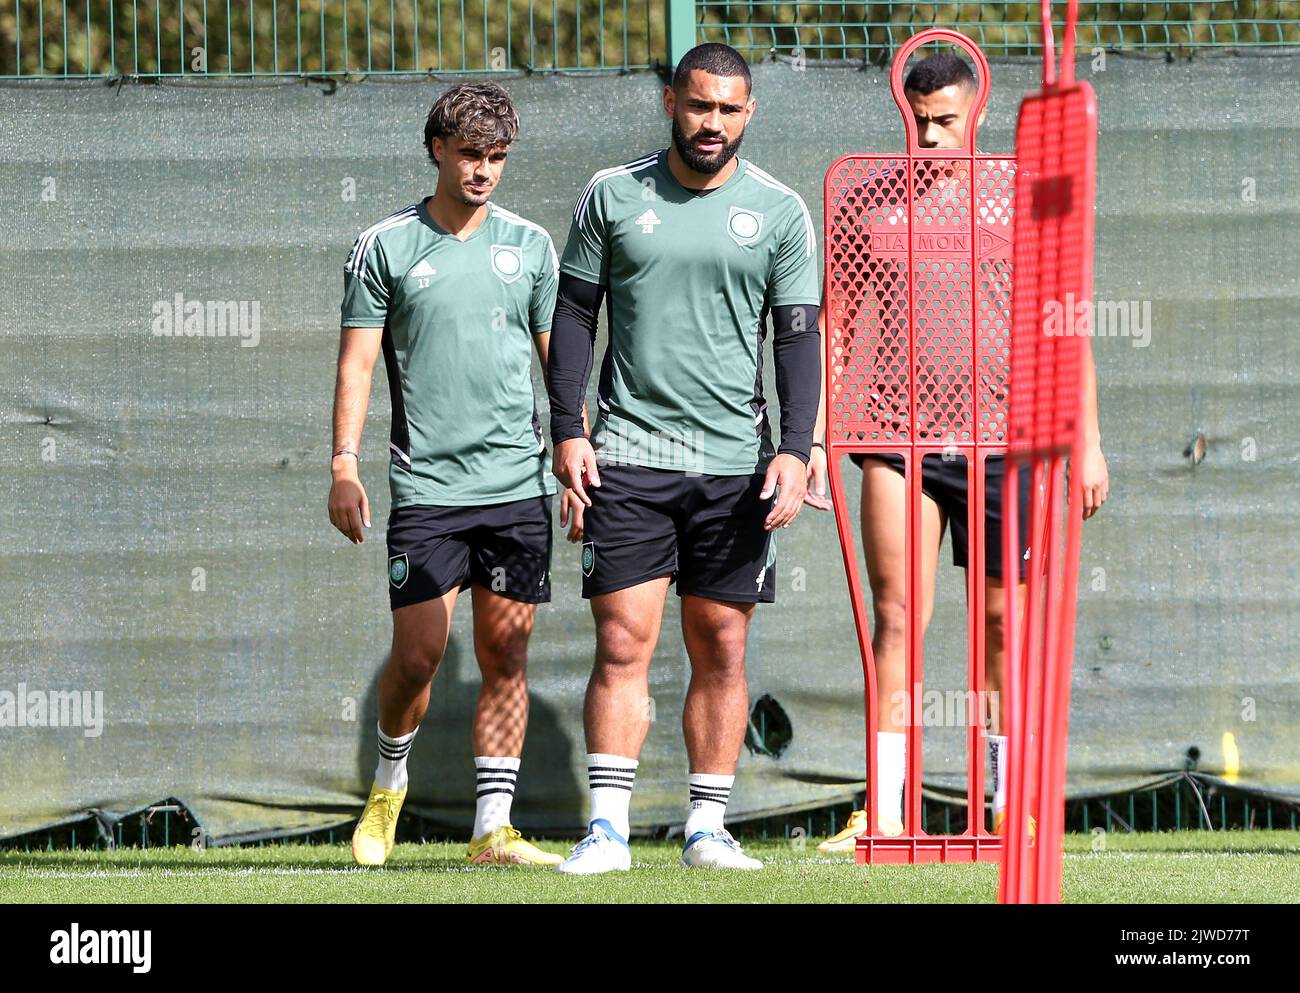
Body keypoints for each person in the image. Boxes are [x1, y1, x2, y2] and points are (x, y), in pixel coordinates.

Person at [808, 53, 1110, 852]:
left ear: (977, 112)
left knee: (1007, 621)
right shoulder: (867, 196)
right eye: (920, 121)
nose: (933, 137)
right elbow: (835, 328)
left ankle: (1010, 802)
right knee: (898, 616)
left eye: (946, 120)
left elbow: (1066, 321)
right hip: (897, 433)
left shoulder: (1023, 193)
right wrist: (810, 436)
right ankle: (886, 806)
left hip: (1007, 436)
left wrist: (1087, 443)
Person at [546, 43, 822, 873]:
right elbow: (572, 316)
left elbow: (799, 340)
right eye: (699, 105)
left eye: (729, 109)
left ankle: (707, 825)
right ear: (672, 101)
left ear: (750, 113)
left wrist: (796, 451)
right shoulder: (612, 194)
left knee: (722, 647)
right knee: (623, 639)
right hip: (627, 456)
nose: (712, 123)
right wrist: (568, 427)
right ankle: (609, 830)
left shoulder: (779, 210)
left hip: (737, 464)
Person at [330, 82, 581, 868]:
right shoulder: (386, 246)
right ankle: (388, 786)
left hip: (517, 485)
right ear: (437, 148)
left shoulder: (533, 246)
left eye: (497, 157)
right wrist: (343, 461)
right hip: (428, 490)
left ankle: (492, 829)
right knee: (420, 655)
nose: (483, 171)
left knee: (507, 654)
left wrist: (575, 452)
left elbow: (559, 365)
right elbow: (358, 362)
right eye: (470, 154)